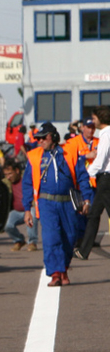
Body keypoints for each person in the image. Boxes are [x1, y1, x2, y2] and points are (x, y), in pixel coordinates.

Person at [23, 122, 93, 286]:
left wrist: (87, 199)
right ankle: (55, 273)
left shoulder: (70, 154)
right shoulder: (34, 157)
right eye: (38, 138)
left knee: (69, 237)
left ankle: (64, 269)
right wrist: (27, 209)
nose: (39, 141)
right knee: (51, 238)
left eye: (43, 138)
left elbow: (82, 177)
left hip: (68, 203)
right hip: (46, 203)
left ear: (53, 137)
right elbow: (27, 184)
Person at [75, 107, 110, 260]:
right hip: (104, 178)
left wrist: (84, 174)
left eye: (94, 118)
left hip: (105, 178)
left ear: (101, 118)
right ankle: (84, 250)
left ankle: (84, 250)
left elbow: (100, 160)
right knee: (94, 215)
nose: (93, 121)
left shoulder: (106, 134)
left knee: (96, 215)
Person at [3, 161, 38, 251]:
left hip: (30, 208)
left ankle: (32, 242)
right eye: (6, 174)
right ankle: (19, 240)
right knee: (7, 225)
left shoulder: (28, 178)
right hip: (17, 211)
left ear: (17, 171)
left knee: (32, 218)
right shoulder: (6, 183)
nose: (8, 177)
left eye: (10, 173)